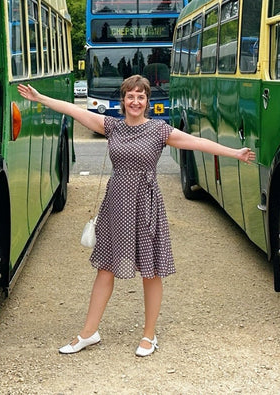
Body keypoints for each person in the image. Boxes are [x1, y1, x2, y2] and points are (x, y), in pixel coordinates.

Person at [17, 75, 255, 358]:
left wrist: (235, 153)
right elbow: (74, 110)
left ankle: (149, 335)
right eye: (131, 96)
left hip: (146, 204)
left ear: (147, 101)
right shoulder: (112, 127)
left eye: (141, 96)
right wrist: (40, 98)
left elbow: (196, 143)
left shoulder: (158, 130)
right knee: (105, 268)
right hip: (116, 202)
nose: (135, 101)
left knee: (151, 270)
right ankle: (88, 332)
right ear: (123, 100)